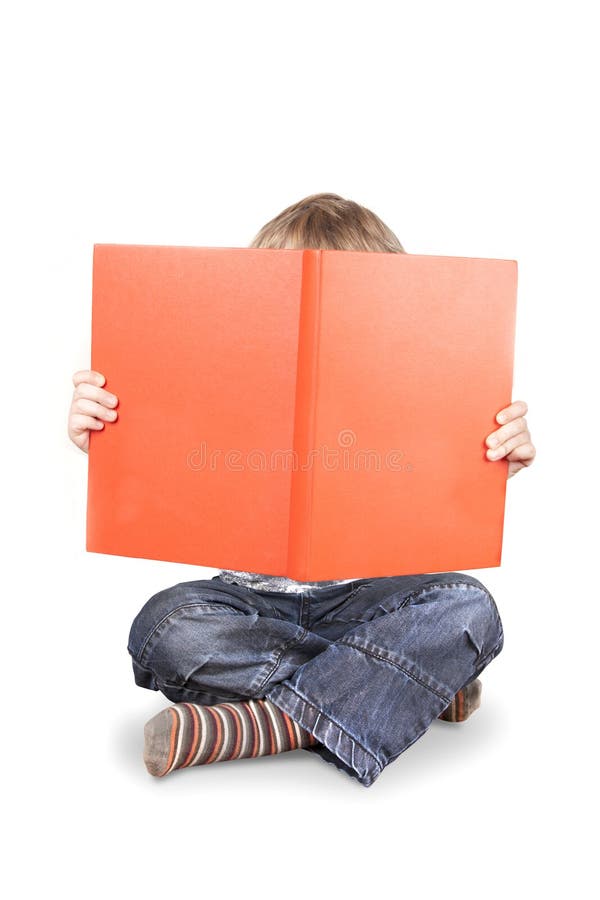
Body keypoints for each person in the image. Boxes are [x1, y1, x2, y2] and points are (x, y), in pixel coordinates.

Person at [68, 193, 536, 787]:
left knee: (469, 609)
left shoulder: (420, 379)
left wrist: (494, 464)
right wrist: (109, 438)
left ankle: (272, 725)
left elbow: (449, 490)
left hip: (375, 601)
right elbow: (162, 456)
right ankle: (412, 684)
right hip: (249, 606)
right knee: (165, 628)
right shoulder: (218, 371)